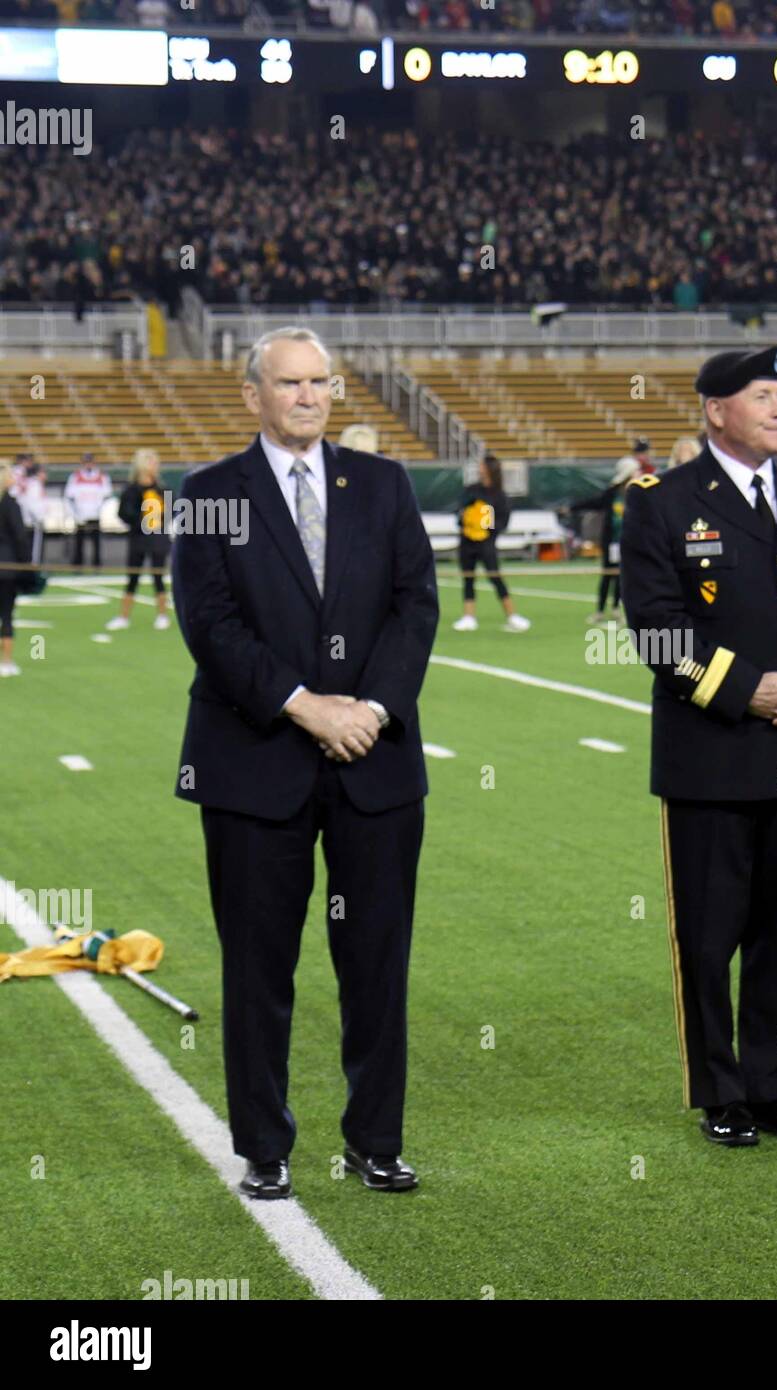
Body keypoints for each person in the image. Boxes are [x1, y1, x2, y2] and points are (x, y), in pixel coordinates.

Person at [171, 326, 439, 1200]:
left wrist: (368, 709)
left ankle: (377, 1141)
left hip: (375, 760)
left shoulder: (385, 484)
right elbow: (211, 626)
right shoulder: (210, 493)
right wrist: (305, 704)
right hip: (257, 762)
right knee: (257, 966)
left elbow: (415, 608)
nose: (309, 397)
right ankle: (264, 1147)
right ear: (252, 394)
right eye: (290, 383)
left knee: (377, 964)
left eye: (321, 382)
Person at [621, 344, 777, 1148]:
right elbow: (658, 630)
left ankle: (775, 1088)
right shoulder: (662, 501)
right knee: (709, 935)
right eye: (764, 396)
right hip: (711, 752)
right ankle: (720, 1091)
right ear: (716, 410)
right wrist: (745, 689)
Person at [452, 453, 530, 633]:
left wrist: (489, 529)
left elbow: (503, 519)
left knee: (495, 577)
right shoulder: (471, 489)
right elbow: (459, 510)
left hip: (486, 542)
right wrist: (464, 518)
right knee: (468, 578)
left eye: (482, 466)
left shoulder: (499, 494)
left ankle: (512, 615)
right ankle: (468, 616)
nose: (479, 469)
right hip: (467, 540)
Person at [107, 449, 172, 632]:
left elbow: (170, 511)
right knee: (132, 577)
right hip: (139, 538)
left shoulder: (161, 489)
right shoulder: (131, 490)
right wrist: (140, 518)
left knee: (158, 576)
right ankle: (123, 617)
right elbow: (124, 513)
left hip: (158, 538)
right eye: (152, 462)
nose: (155, 466)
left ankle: (162, 615)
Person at [573, 456, 635, 625]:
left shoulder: (636, 493)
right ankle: (600, 610)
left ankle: (616, 608)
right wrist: (572, 507)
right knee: (607, 575)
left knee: (622, 576)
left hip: (628, 541)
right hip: (612, 541)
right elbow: (594, 502)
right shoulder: (612, 494)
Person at [0, 459, 32, 678]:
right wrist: (27, 564)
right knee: (7, 614)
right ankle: (6, 661)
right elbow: (20, 537)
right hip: (7, 566)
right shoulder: (11, 505)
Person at [63, 452, 112, 568]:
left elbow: (107, 495)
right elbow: (69, 496)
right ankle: (78, 564)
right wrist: (74, 513)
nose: (88, 464)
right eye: (86, 462)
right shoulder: (75, 477)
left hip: (95, 514)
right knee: (79, 541)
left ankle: (97, 564)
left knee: (96, 541)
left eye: (90, 461)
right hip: (80, 514)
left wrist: (100, 509)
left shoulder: (102, 476)